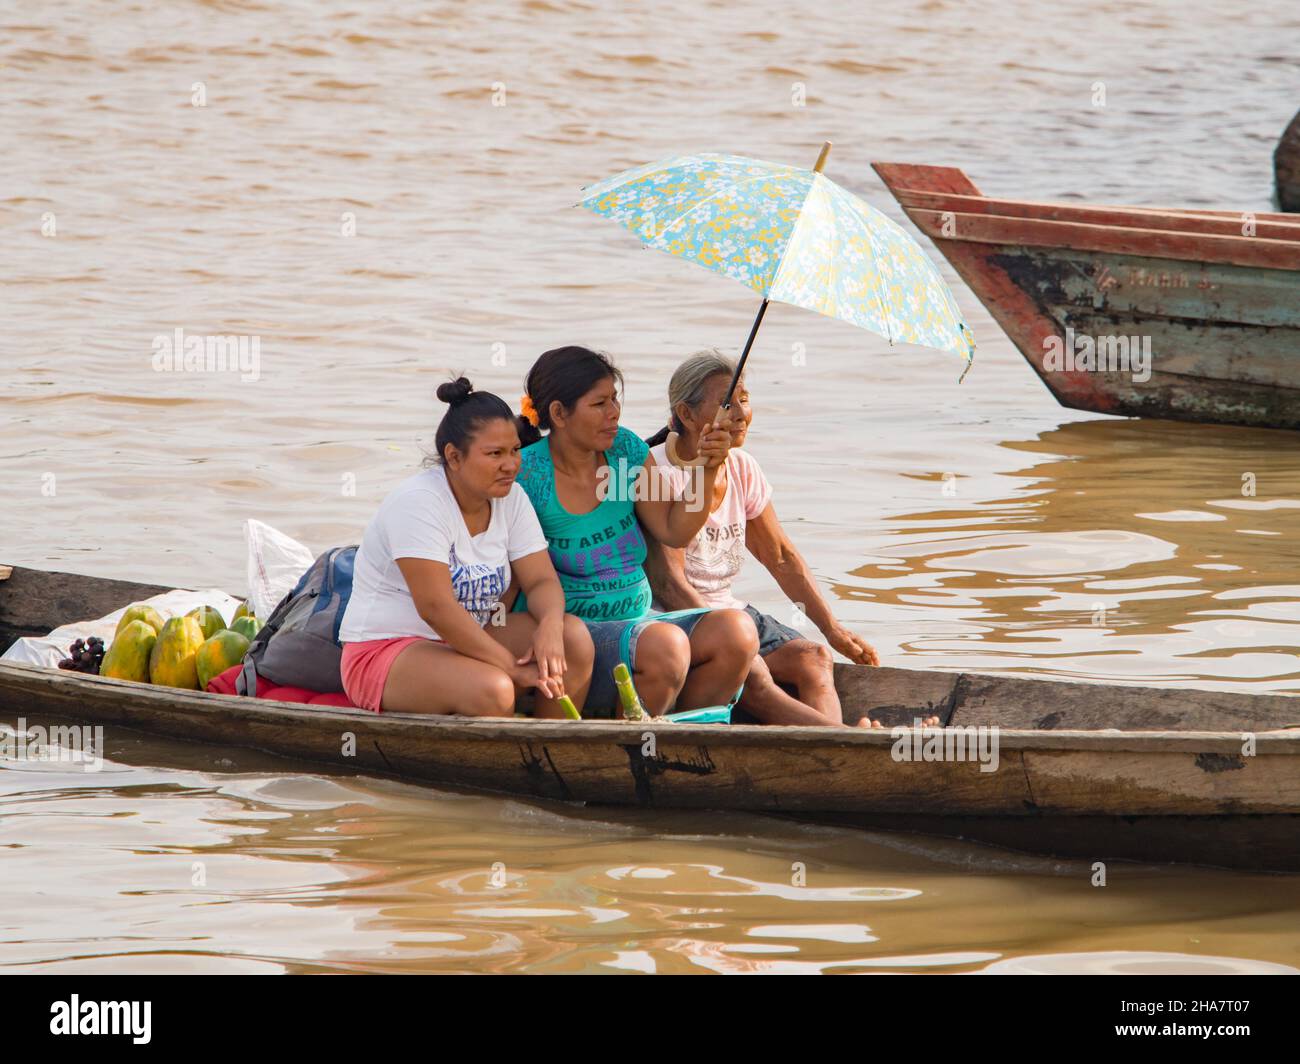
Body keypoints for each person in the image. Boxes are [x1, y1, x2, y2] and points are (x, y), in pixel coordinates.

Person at [644, 350, 937, 728]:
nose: (739, 414)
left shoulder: (742, 467)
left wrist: (832, 629)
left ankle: (837, 745)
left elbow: (779, 556)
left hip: (732, 612)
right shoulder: (658, 471)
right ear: (686, 414)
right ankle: (849, 740)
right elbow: (671, 586)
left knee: (813, 658)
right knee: (757, 681)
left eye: (744, 400)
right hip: (680, 624)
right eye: (727, 404)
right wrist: (733, 641)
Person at [512, 345, 758, 717]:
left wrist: (708, 466)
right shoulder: (528, 475)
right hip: (577, 634)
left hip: (639, 619)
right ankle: (631, 745)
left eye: (615, 399)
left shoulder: (625, 451)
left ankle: (682, 741)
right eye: (599, 404)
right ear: (559, 414)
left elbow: (674, 530)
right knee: (667, 647)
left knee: (738, 634)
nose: (614, 413)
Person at [338, 377, 594, 717]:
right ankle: (502, 764)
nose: (511, 464)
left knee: (572, 638)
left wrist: (550, 624)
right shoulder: (419, 503)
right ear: (454, 457)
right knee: (496, 689)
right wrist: (512, 668)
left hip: (471, 637)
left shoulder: (511, 497)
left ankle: (550, 756)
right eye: (495, 454)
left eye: (515, 451)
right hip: (386, 651)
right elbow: (436, 608)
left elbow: (541, 581)